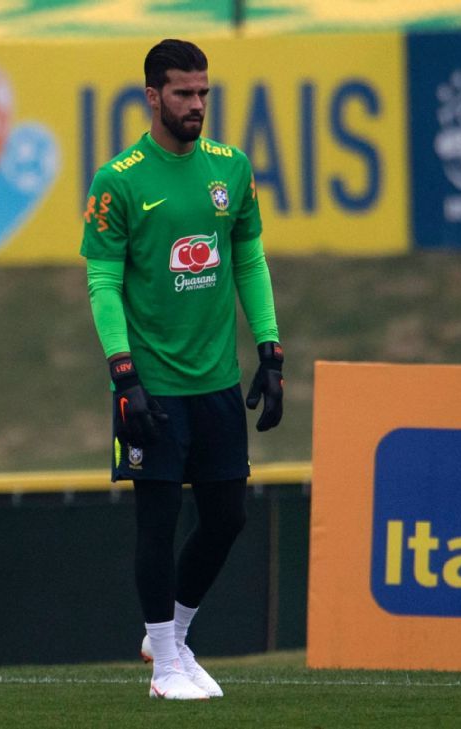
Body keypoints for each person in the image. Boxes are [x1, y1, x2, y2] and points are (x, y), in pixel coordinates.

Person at [79, 38, 284, 700]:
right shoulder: (119, 179)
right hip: (153, 386)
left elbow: (248, 258)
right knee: (158, 524)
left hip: (218, 382)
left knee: (227, 518)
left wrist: (271, 350)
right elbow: (103, 283)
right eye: (183, 93)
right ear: (153, 96)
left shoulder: (231, 168)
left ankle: (171, 636)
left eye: (204, 92)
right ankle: (166, 667)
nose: (197, 104)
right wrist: (123, 374)